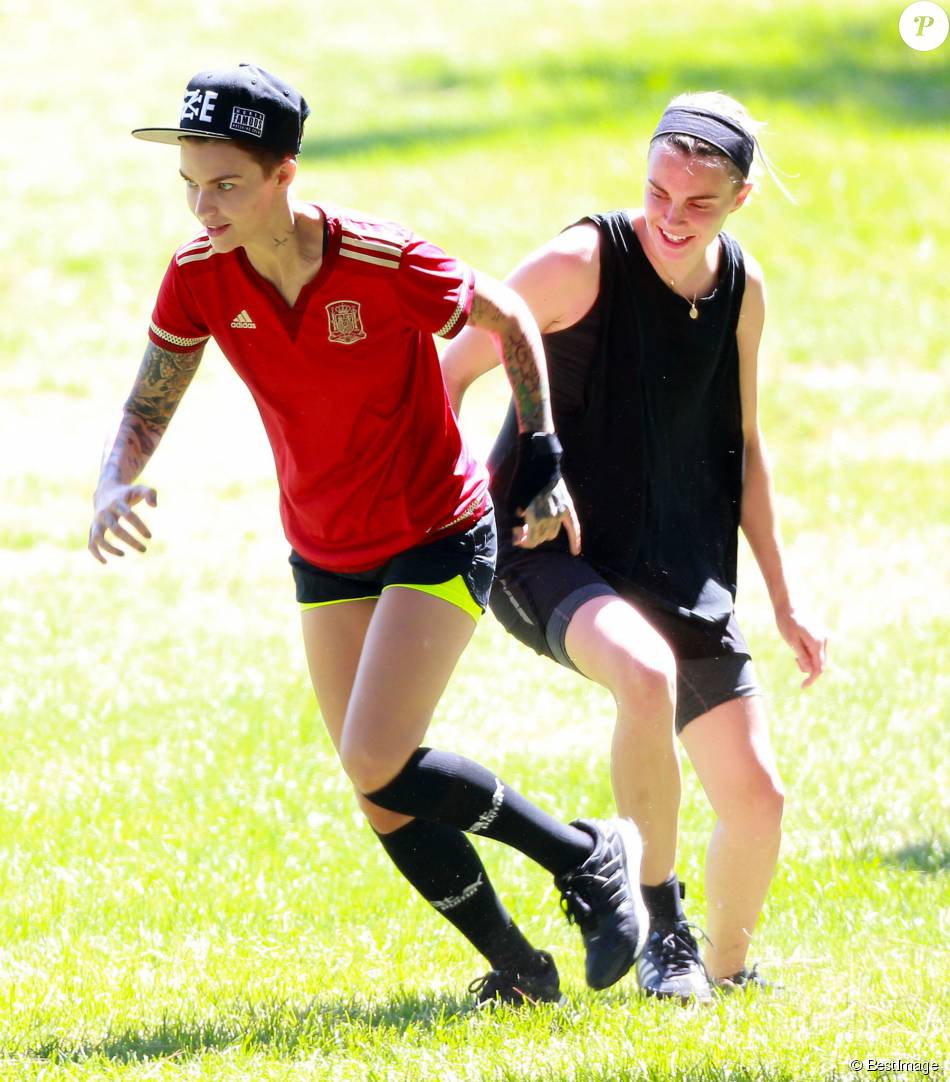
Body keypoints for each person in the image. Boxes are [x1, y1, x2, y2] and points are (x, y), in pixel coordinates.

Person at [87, 64, 650, 1007]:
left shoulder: (378, 260)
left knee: (372, 752)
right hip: (325, 542)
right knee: (380, 788)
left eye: (225, 182)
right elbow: (154, 393)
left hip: (437, 526)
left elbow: (507, 313)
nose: (202, 205)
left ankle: (588, 855)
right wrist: (114, 478)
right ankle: (517, 968)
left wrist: (543, 452)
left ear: (284, 172)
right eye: (189, 182)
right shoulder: (197, 275)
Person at [442, 92, 827, 999]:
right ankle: (658, 920)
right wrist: (451, 517)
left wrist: (784, 594)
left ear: (739, 200)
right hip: (546, 549)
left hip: (677, 564)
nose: (669, 218)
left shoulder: (743, 289)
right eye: (658, 192)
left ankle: (725, 976)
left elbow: (747, 446)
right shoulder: (584, 261)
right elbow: (448, 370)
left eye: (697, 204)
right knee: (644, 673)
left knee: (758, 801)